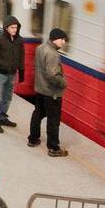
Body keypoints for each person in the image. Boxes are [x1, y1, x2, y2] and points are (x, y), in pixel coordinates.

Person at [29, 28, 69, 157]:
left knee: (38, 113)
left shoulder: (40, 48)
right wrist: (63, 83)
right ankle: (53, 148)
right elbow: (52, 74)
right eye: (62, 39)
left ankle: (33, 139)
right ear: (55, 38)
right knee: (53, 120)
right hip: (52, 93)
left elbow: (36, 65)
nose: (63, 42)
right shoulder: (53, 54)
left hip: (40, 89)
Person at [0, 16, 25, 133]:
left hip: (12, 74)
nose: (15, 30)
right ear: (6, 28)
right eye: (12, 27)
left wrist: (22, 71)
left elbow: (21, 56)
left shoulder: (19, 40)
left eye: (16, 27)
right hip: (0, 73)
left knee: (7, 98)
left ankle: (2, 117)